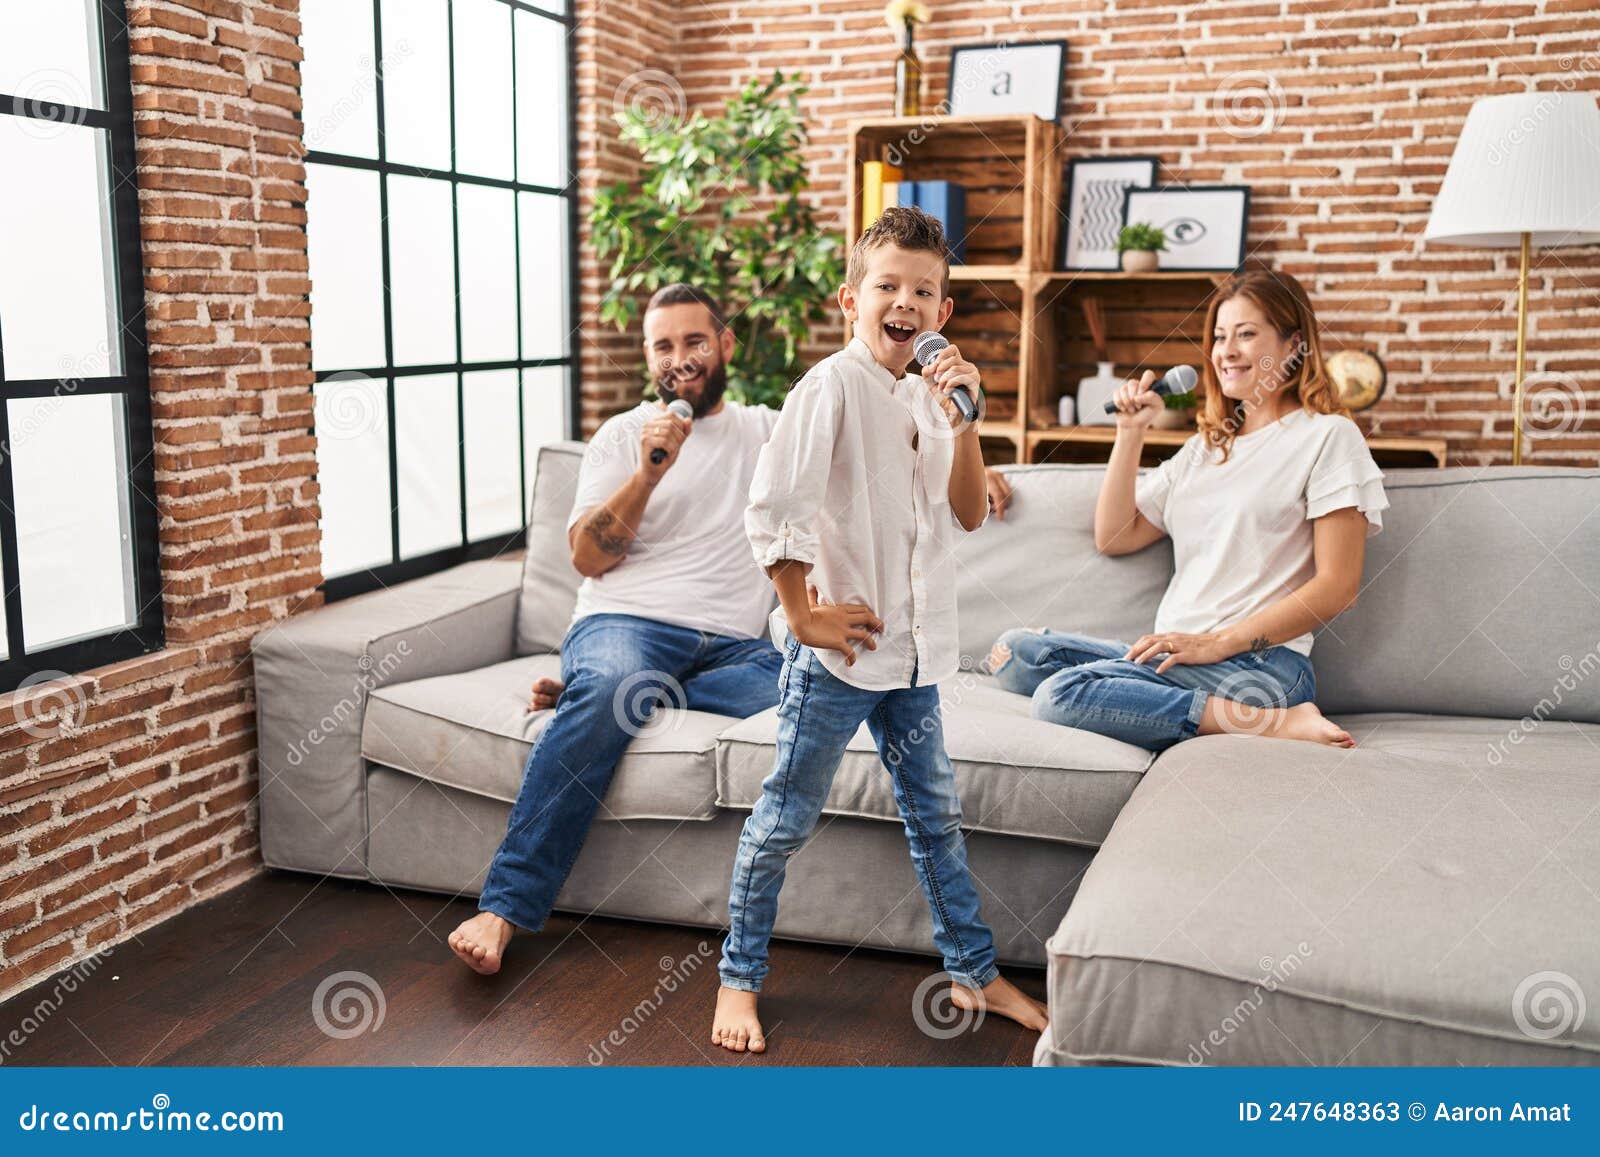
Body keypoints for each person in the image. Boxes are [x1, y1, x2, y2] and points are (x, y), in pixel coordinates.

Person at [450, 284, 1015, 974]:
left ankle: (618, 693)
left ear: (724, 345)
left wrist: (979, 465)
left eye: (694, 341)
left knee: (808, 699)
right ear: (649, 357)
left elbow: (860, 458)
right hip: (628, 623)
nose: (679, 357)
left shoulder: (766, 428)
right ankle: (504, 907)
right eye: (663, 345)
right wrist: (648, 473)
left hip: (737, 649)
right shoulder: (624, 436)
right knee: (613, 684)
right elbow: (587, 556)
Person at [710, 207, 1048, 1054]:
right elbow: (773, 508)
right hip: (839, 659)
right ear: (851, 297)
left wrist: (967, 418)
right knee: (785, 815)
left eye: (924, 290)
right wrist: (800, 615)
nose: (906, 300)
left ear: (943, 314)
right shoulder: (829, 387)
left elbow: (967, 512)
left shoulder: (936, 403)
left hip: (918, 657)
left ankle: (972, 970)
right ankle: (738, 977)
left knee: (935, 816)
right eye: (888, 285)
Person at [987, 269, 1388, 751]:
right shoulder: (1205, 448)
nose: (1227, 351)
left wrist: (1218, 643)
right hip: (1179, 657)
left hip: (1261, 666)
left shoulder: (1327, 437)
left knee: (1060, 695)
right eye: (1220, 337)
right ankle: (1156, 690)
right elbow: (1115, 536)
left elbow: (1337, 587)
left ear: (1293, 345)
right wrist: (1131, 432)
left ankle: (1279, 721)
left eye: (1246, 334)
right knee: (1018, 653)